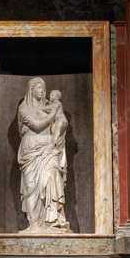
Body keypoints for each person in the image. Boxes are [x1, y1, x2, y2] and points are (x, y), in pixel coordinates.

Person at [17, 77, 62, 233]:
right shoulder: (24, 108)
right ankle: (35, 224)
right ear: (31, 90)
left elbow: (61, 121)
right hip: (31, 149)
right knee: (31, 187)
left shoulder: (50, 106)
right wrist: (53, 113)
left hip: (48, 147)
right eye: (39, 88)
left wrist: (61, 122)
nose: (42, 90)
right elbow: (36, 125)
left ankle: (52, 222)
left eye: (44, 88)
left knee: (51, 180)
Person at [42, 90, 70, 231]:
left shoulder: (56, 105)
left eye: (52, 95)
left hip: (54, 152)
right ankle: (53, 217)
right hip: (52, 153)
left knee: (53, 175)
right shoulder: (55, 104)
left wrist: (38, 107)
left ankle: (57, 217)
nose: (50, 97)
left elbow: (51, 113)